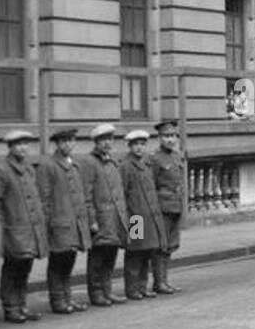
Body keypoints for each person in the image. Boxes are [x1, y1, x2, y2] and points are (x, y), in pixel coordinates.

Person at [0, 129, 47, 324]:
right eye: (18, 144)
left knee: (25, 267)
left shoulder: (29, 169)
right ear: (10, 147)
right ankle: (10, 307)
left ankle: (22, 305)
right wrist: (1, 230)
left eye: (25, 144)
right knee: (12, 268)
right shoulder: (1, 170)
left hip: (30, 229)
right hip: (13, 230)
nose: (23, 148)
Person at [38, 127, 91, 314]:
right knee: (57, 263)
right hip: (58, 224)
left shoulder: (75, 165)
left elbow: (81, 195)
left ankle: (67, 297)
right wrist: (46, 225)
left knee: (69, 261)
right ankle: (57, 300)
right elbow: (44, 199)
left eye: (71, 141)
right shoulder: (48, 165)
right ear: (57, 144)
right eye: (64, 141)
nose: (68, 144)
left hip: (74, 224)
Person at [82, 124, 129, 306]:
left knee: (110, 256)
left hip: (115, 219)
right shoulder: (89, 163)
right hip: (101, 219)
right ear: (96, 142)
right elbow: (86, 195)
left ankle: (107, 291)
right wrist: (91, 220)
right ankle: (96, 293)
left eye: (109, 139)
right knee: (97, 258)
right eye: (103, 140)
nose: (107, 143)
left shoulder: (113, 162)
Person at [121, 129, 167, 300]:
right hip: (135, 218)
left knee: (147, 252)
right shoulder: (126, 166)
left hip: (150, 216)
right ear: (130, 146)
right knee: (134, 254)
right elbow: (123, 194)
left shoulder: (148, 164)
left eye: (142, 144)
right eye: (136, 145)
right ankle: (132, 288)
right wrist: (127, 217)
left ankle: (142, 286)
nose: (139, 148)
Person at [149, 119, 186, 294]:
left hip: (176, 206)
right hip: (162, 208)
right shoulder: (155, 159)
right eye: (166, 136)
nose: (170, 140)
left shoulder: (177, 156)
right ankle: (159, 282)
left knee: (171, 245)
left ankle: (164, 280)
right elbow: (151, 185)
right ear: (159, 138)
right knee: (160, 247)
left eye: (173, 136)